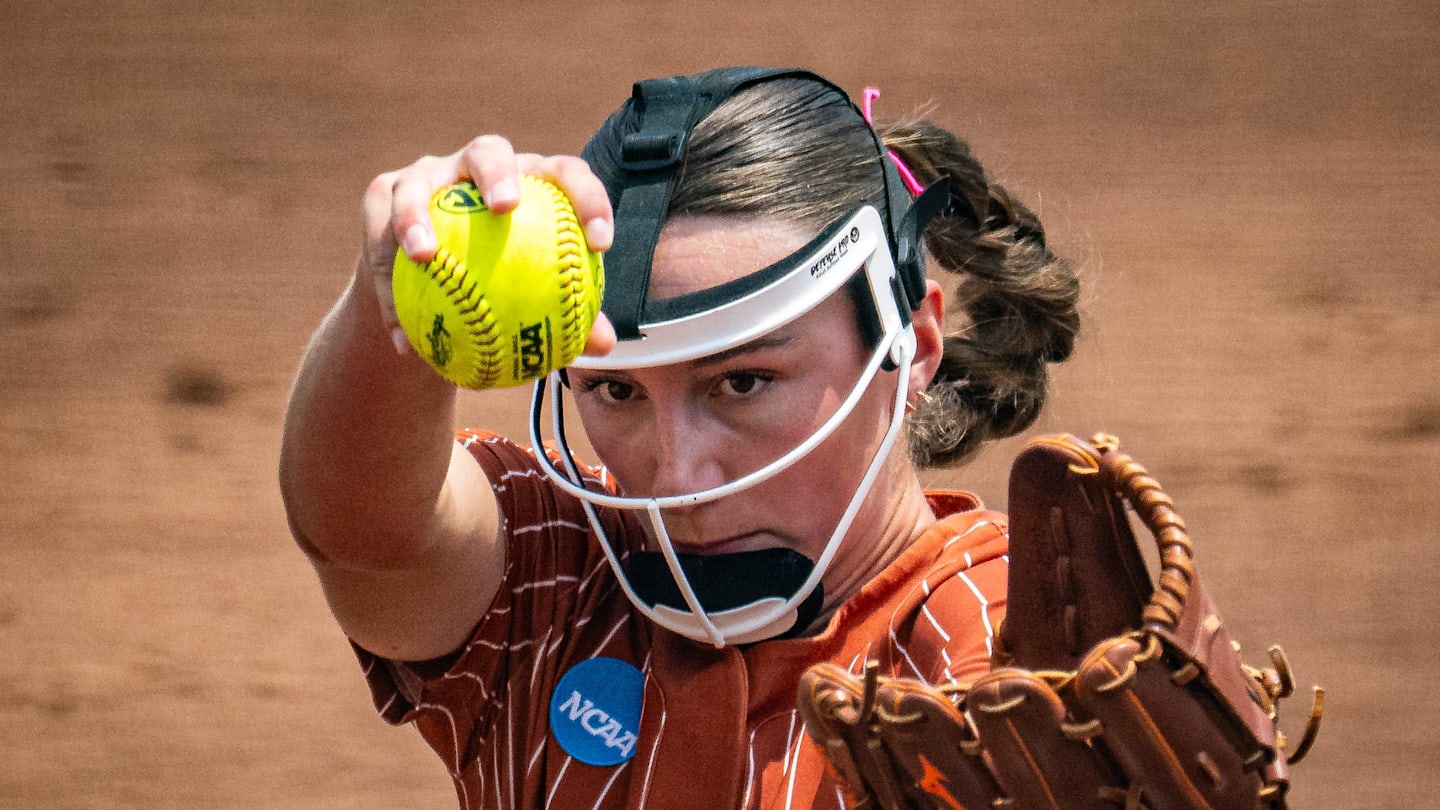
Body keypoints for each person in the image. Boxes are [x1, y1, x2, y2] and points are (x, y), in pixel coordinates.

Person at [279, 66, 1079, 809]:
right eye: (618, 390)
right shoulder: (560, 572)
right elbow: (363, 536)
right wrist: (393, 296)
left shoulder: (1011, 637)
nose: (677, 471)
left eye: (742, 382)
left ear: (913, 348)